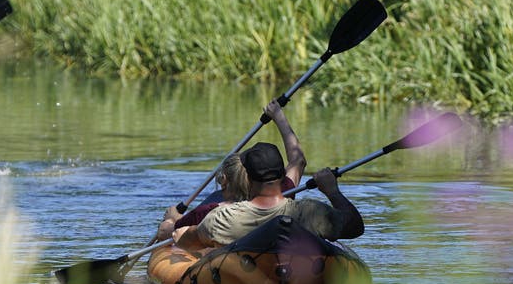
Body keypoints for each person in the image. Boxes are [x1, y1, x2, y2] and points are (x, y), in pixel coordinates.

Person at [154, 101, 306, 241]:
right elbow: (298, 161)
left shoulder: (212, 212)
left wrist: (172, 218)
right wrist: (279, 116)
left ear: (225, 180)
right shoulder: (284, 192)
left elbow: (166, 233)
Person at [172, 141, 364, 251]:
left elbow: (184, 239)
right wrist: (332, 191)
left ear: (248, 176)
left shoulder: (221, 218)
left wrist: (174, 230)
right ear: (283, 174)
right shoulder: (311, 212)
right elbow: (356, 228)